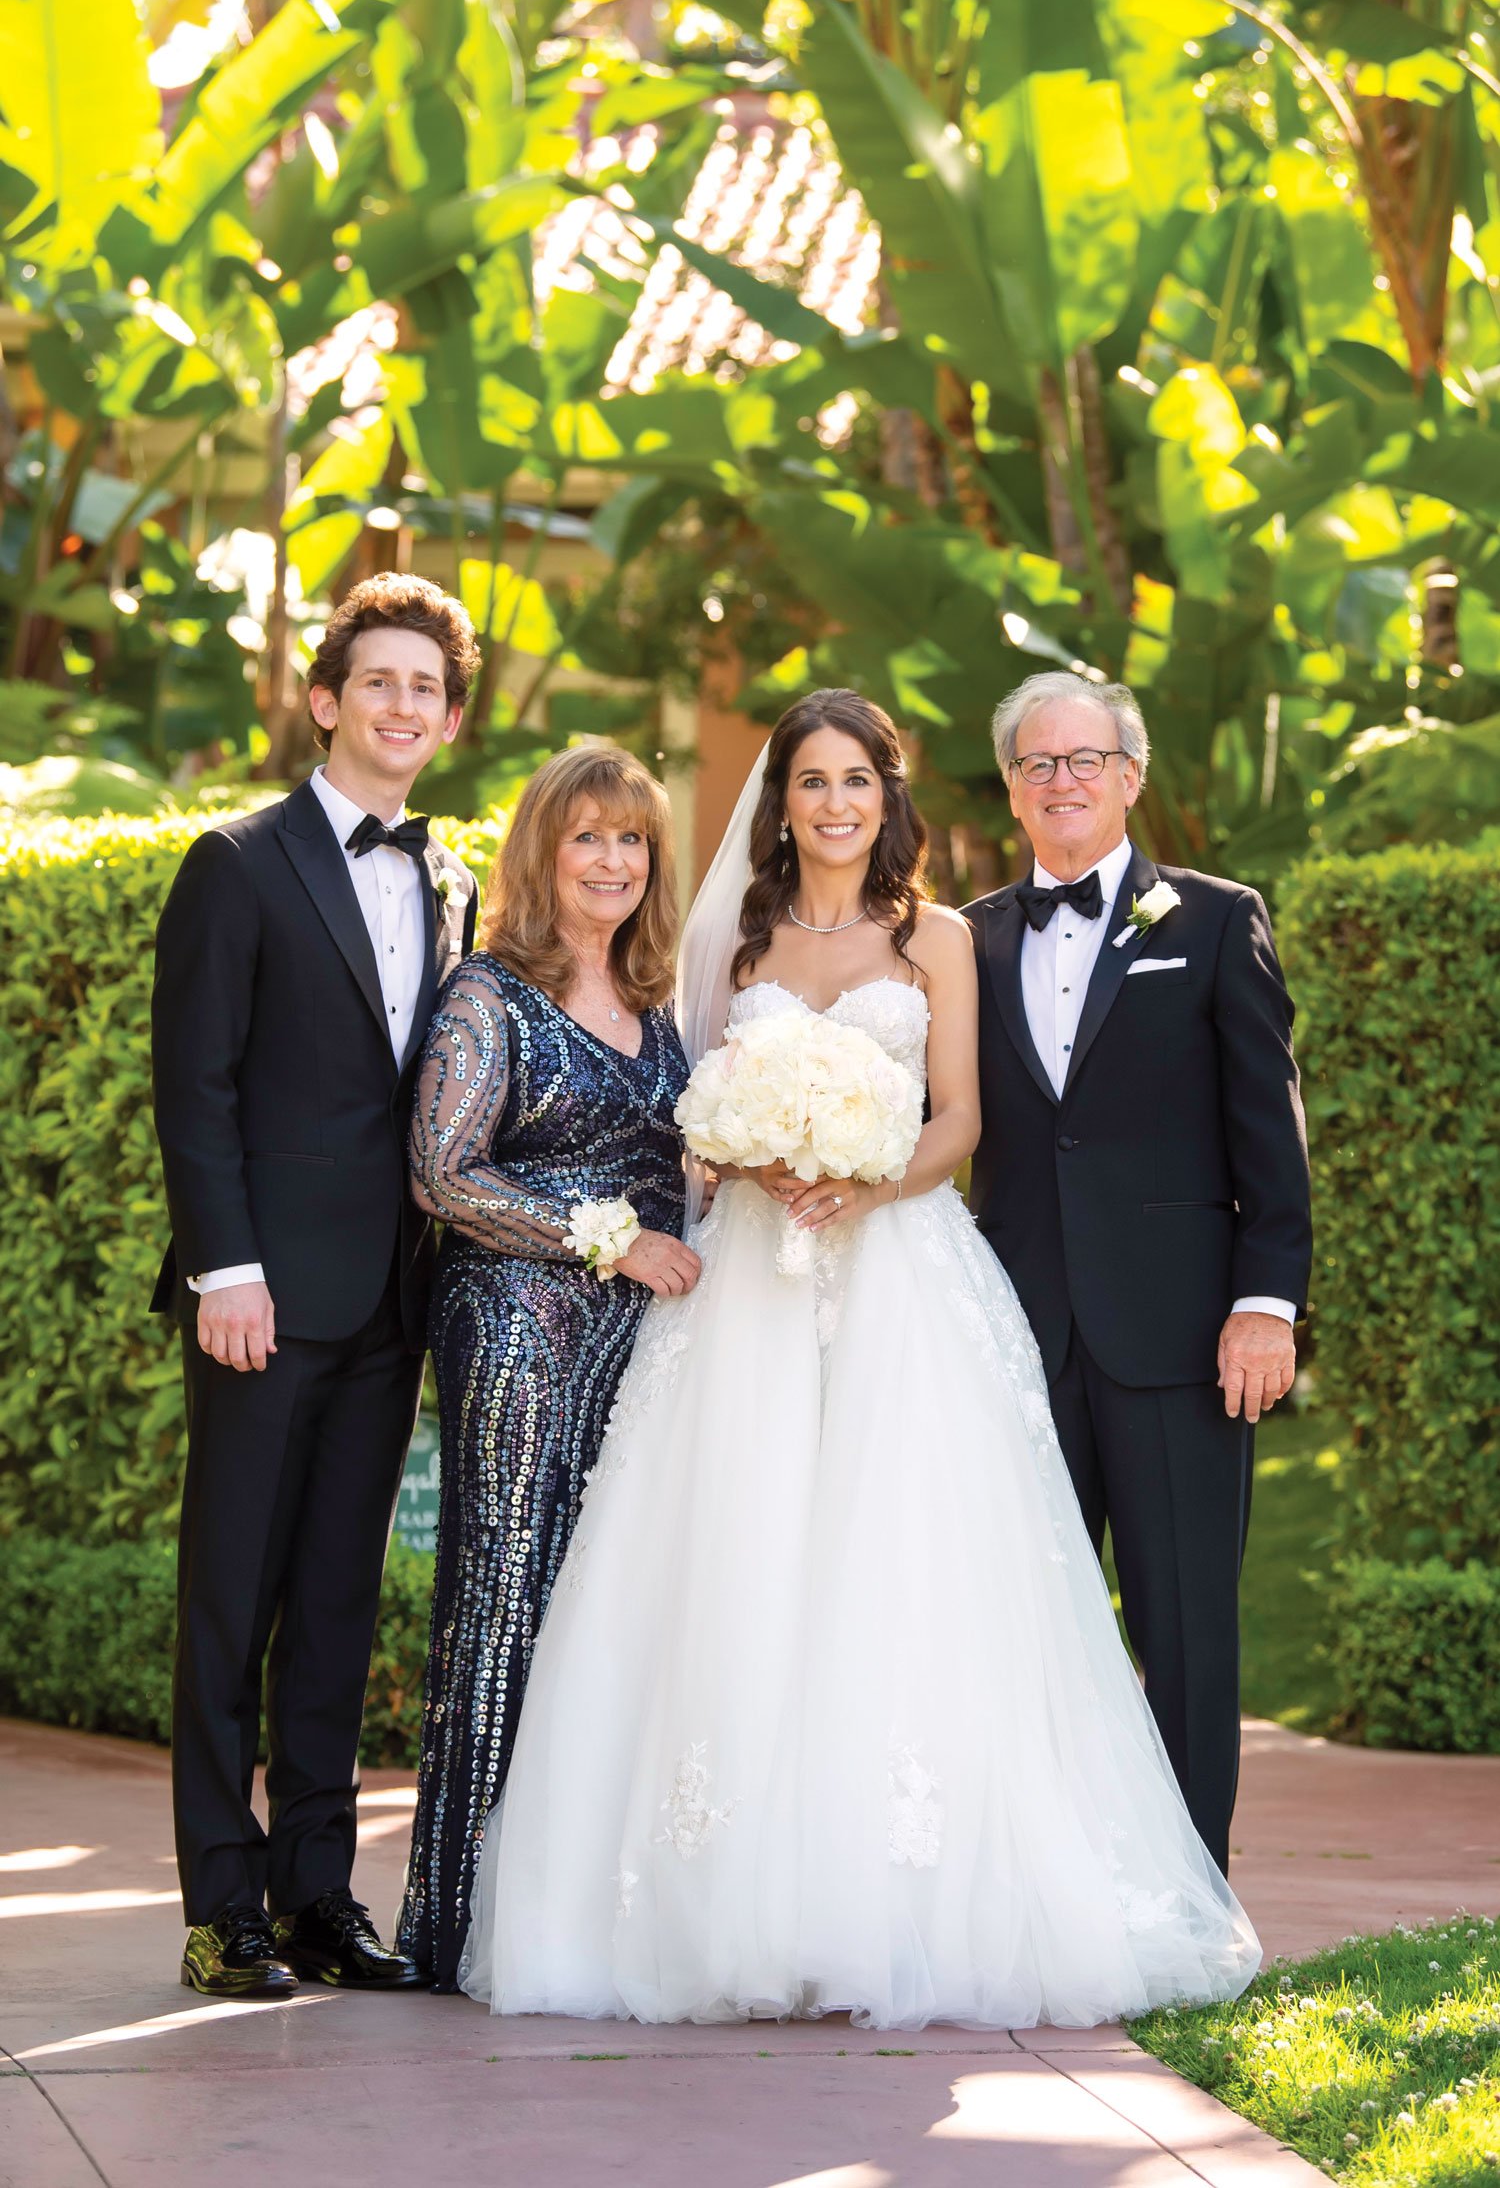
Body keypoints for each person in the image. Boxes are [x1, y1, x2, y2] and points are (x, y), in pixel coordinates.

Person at [459, 687, 1260, 2031]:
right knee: (744, 1566)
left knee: (902, 1573)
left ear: (891, 796)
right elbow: (690, 1115)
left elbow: (960, 1119)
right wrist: (752, 1154)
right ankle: (727, 1903)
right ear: (780, 800)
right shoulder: (734, 939)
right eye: (812, 779)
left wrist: (867, 1177)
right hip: (750, 1299)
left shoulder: (938, 935)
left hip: (901, 1275)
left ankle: (901, 1902)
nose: (835, 802)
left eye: (858, 780)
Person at [151, 572, 480, 1998]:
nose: (405, 706)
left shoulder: (452, 873)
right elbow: (197, 1084)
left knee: (340, 1606)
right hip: (262, 1299)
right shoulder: (236, 862)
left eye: (429, 688)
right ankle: (221, 1906)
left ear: (447, 720)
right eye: (382, 682)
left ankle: (314, 1897)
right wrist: (227, 1266)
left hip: (390, 1301)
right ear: (326, 698)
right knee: (233, 1597)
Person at [962, 671, 1312, 1874]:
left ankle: (1191, 1894)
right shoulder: (967, 937)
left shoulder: (1215, 918)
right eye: (1037, 763)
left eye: (1084, 758)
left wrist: (1265, 1305)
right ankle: (1046, 1890)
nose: (1061, 780)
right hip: (1016, 1337)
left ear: (1130, 774)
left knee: (1186, 1629)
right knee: (1027, 1628)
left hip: (1180, 1338)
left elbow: (1270, 1127)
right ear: (1012, 787)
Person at [395, 744, 698, 1992]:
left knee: (605, 1606)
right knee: (507, 1588)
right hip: (518, 1325)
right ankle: (459, 1917)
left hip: (643, 1345)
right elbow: (444, 1173)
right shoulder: (490, 992)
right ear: (544, 851)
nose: (613, 863)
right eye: (588, 839)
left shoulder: (662, 1005)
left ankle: (580, 1907)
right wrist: (614, 1243)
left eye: (632, 842)